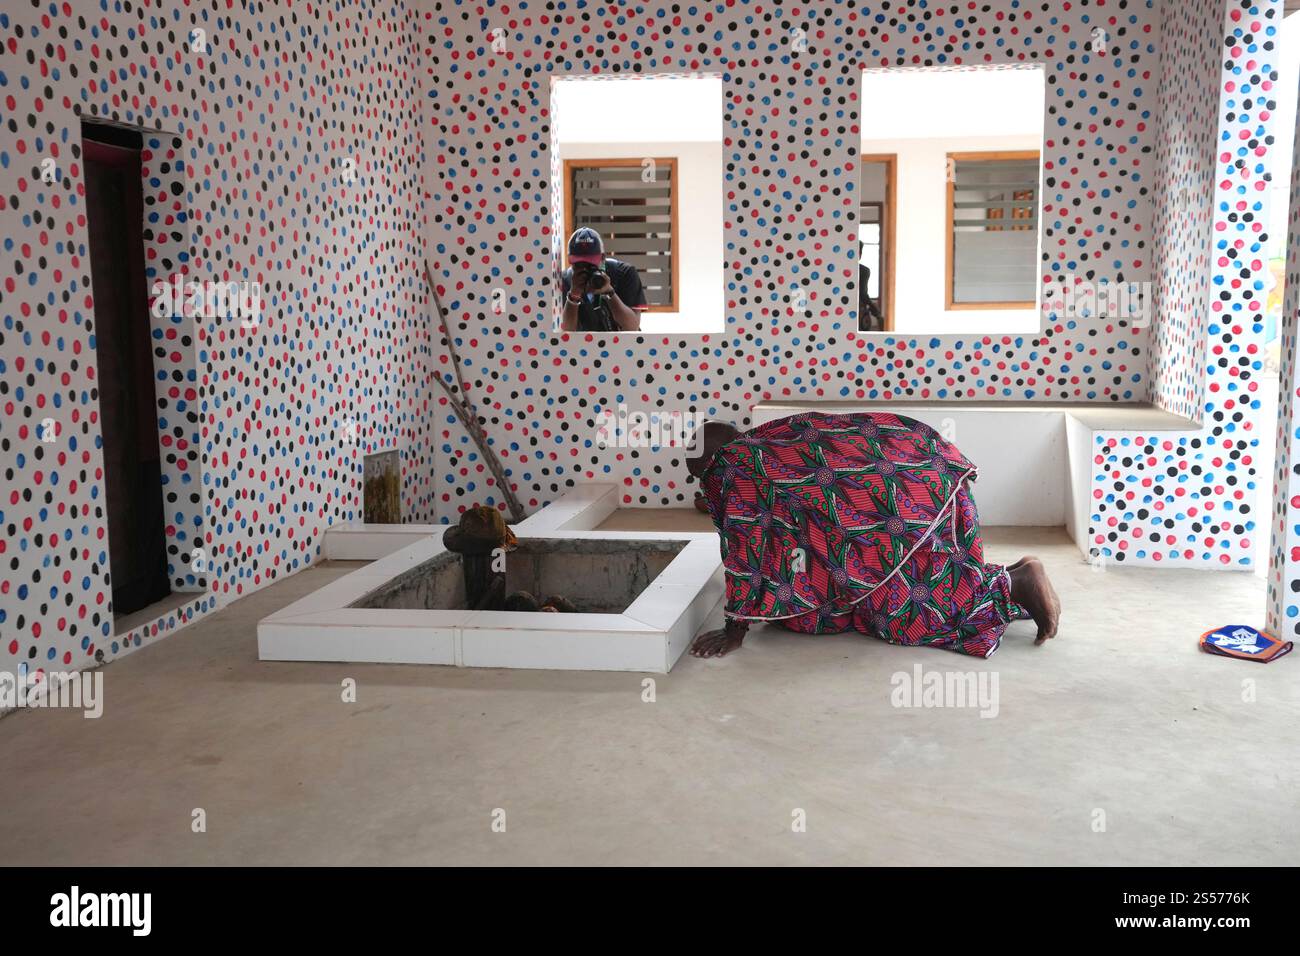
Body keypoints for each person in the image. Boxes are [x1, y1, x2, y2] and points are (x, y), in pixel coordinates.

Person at [686, 412, 1061, 659]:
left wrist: (734, 629)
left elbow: (745, 551)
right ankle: (1009, 576)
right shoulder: (774, 440)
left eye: (703, 477)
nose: (708, 488)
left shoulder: (733, 470)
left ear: (710, 465)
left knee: (909, 615)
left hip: (895, 511)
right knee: (926, 576)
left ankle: (1014, 583)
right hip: (927, 475)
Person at [559, 227, 647, 332]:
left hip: (623, 346)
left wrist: (609, 293)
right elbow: (567, 332)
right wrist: (574, 295)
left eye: (591, 265)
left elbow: (632, 327)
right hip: (583, 346)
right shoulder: (565, 280)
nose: (585, 269)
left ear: (603, 258)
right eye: (578, 264)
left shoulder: (624, 273)